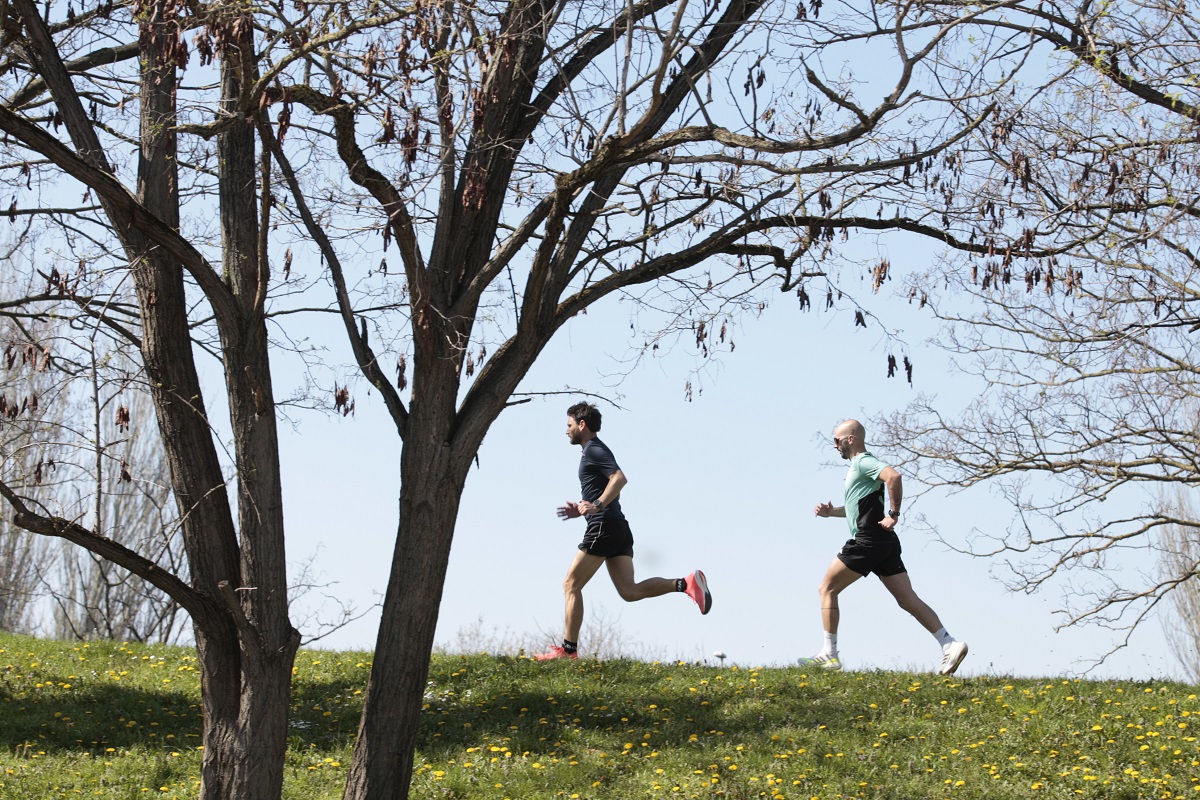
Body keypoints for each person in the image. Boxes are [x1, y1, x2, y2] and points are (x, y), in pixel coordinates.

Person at [535, 401, 712, 661]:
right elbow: (605, 485)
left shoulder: (594, 449)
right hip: (617, 527)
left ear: (582, 425)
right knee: (629, 591)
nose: (566, 431)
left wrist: (596, 505)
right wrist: (583, 508)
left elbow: (619, 478)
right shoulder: (590, 451)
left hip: (604, 526)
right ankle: (686, 584)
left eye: (569, 425)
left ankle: (568, 652)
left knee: (570, 584)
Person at [799, 419, 968, 675]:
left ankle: (829, 654)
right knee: (907, 599)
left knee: (827, 588)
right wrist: (830, 512)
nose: (834, 445)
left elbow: (894, 476)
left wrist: (894, 513)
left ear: (850, 439)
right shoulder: (860, 467)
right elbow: (858, 508)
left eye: (837, 440)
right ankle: (949, 644)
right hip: (884, 543)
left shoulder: (864, 462)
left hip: (868, 540)